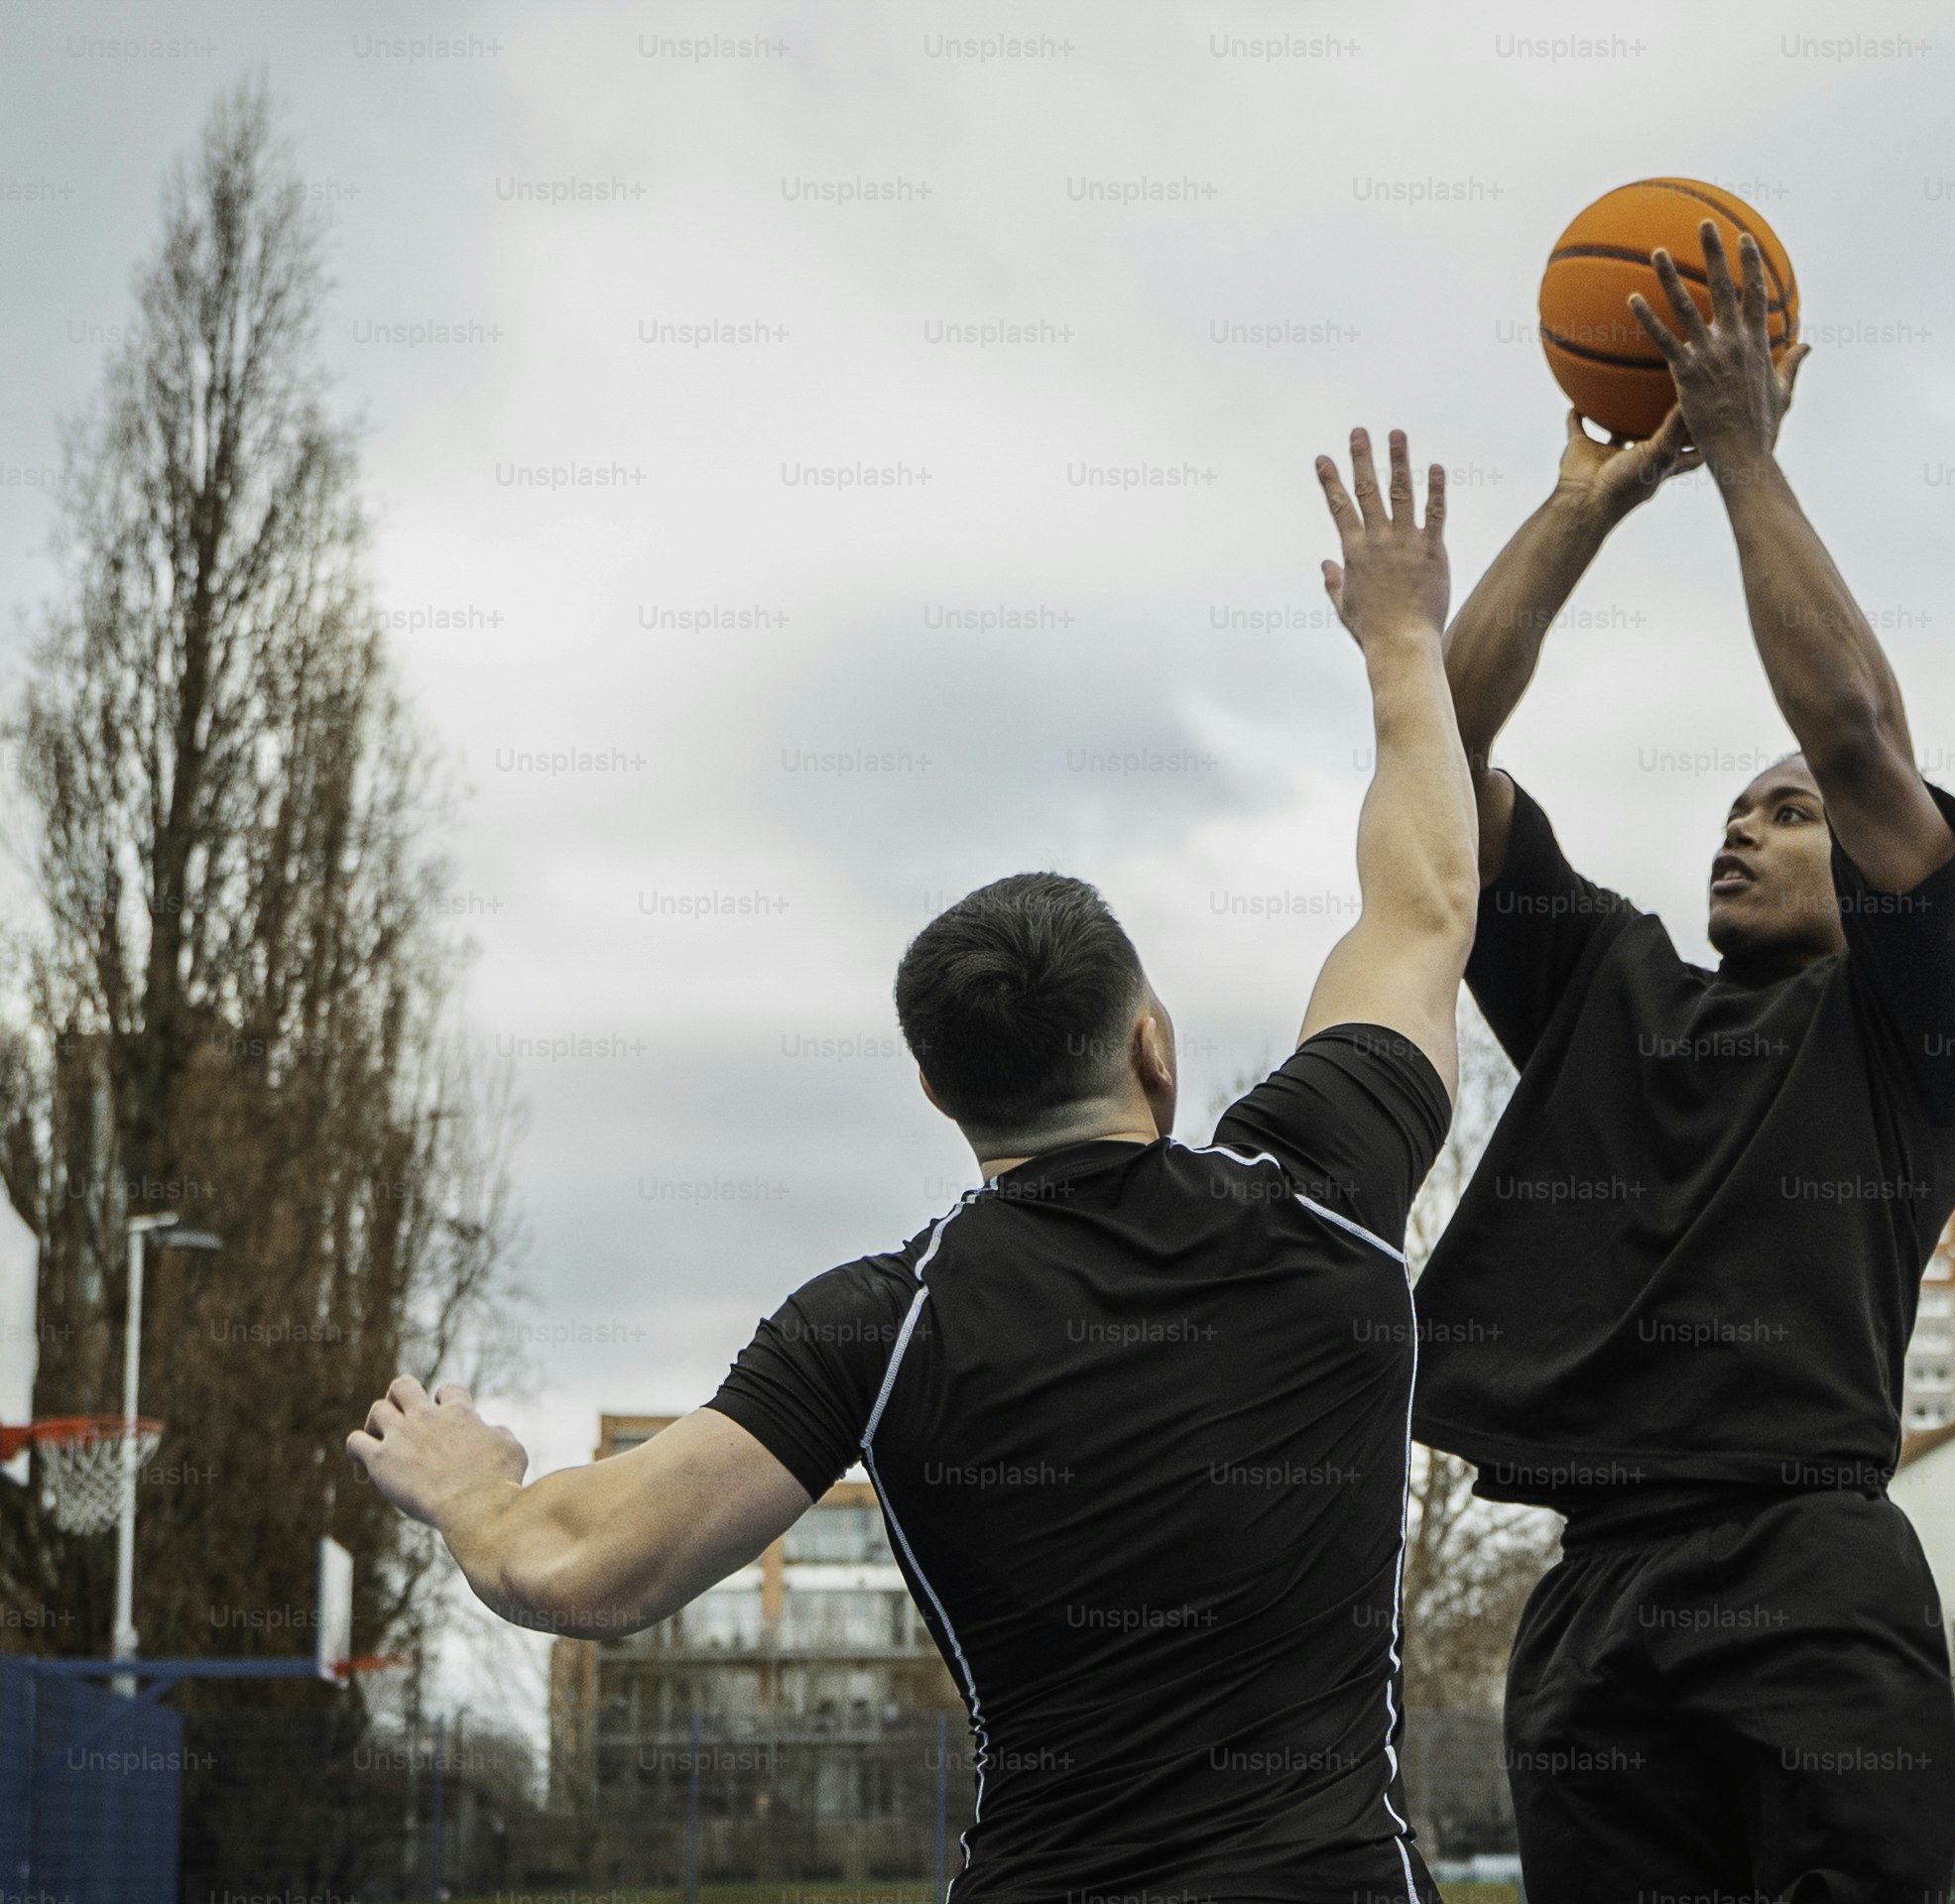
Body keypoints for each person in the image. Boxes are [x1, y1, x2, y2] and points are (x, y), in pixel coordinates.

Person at [348, 429, 1478, 1904]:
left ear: (941, 1093)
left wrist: (476, 1485)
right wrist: (1401, 637)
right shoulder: (1320, 1192)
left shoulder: (880, 1328)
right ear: (1156, 1045)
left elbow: (579, 1571)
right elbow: (1425, 899)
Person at [1408, 226, 1955, 1903]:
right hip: (1595, 1591)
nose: (1746, 829)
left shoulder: (1916, 1022)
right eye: (1733, 810)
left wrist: (1742, 453)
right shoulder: (1613, 986)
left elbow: (1856, 733)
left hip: (1807, 1577)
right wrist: (1583, 510)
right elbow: (1439, 750)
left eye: (1788, 813)